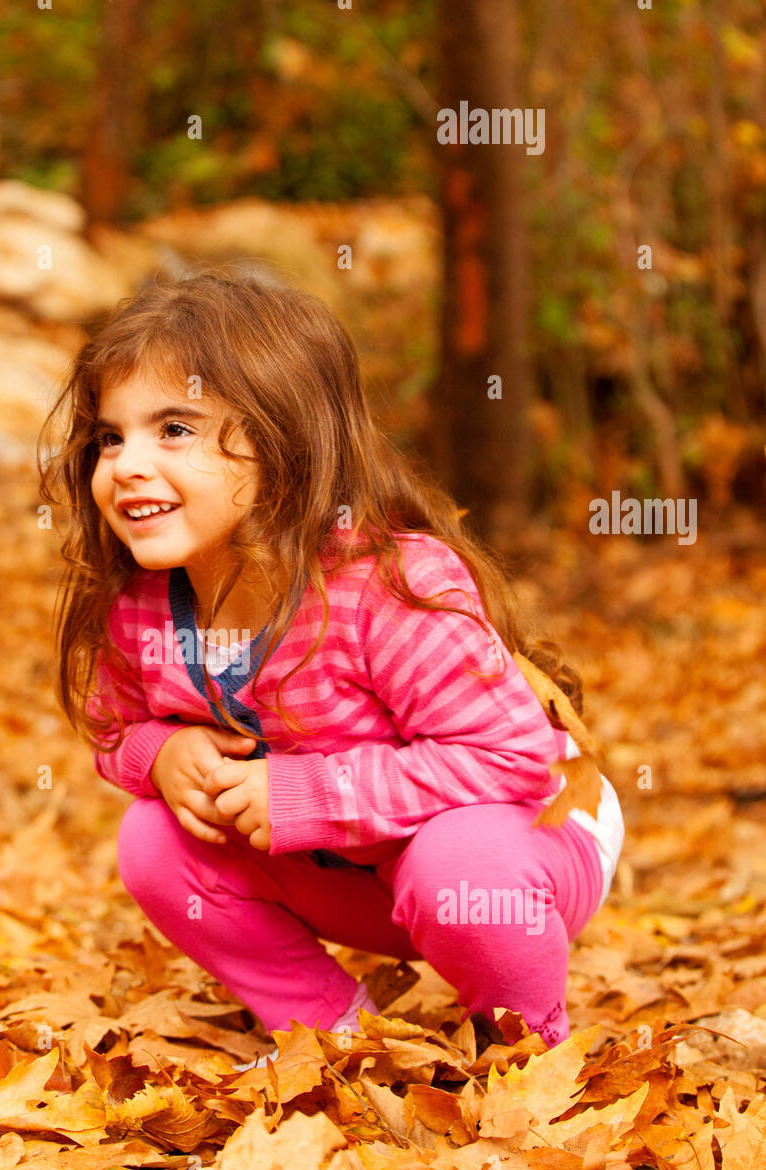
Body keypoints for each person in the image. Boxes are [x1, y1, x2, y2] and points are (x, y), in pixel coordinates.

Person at [37, 266, 624, 1055]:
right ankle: (336, 1039)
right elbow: (116, 730)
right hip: (354, 875)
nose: (127, 464)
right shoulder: (144, 602)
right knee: (152, 840)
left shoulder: (387, 584)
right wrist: (162, 752)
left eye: (173, 429)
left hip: (516, 847)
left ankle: (525, 1049)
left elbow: (508, 758)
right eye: (111, 437)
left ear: (282, 442)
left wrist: (307, 791)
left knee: (459, 866)